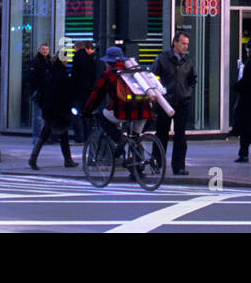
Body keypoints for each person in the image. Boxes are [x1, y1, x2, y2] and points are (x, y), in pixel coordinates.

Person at [84, 47, 153, 178]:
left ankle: (119, 138)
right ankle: (137, 171)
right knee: (136, 138)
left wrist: (87, 110)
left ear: (108, 62)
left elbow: (96, 95)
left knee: (102, 116)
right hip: (143, 111)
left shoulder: (109, 75)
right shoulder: (134, 71)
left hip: (122, 112)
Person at [152, 31, 197, 176]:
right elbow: (154, 77)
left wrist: (187, 92)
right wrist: (159, 94)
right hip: (165, 101)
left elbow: (192, 79)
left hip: (181, 101)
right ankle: (157, 163)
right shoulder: (162, 59)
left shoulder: (188, 61)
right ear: (175, 43)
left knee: (180, 135)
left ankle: (179, 166)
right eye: (183, 43)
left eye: (187, 44)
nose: (186, 47)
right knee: (161, 134)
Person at [28, 49, 78, 170]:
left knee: (54, 134)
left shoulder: (51, 70)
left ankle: (35, 158)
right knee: (57, 134)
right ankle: (66, 160)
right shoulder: (61, 74)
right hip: (57, 109)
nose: (67, 62)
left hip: (50, 108)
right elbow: (62, 94)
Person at [71, 41, 97, 144]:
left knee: (77, 115)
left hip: (78, 92)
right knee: (87, 115)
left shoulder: (77, 57)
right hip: (89, 92)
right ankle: (88, 136)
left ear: (76, 48)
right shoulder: (92, 59)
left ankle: (79, 137)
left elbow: (75, 76)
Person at [27, 44, 52, 141]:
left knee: (46, 116)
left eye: (47, 49)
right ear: (39, 50)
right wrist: (34, 90)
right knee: (38, 116)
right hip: (39, 92)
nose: (45, 51)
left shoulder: (50, 62)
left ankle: (45, 136)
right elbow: (31, 78)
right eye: (43, 49)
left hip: (47, 92)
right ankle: (37, 137)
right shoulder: (35, 62)